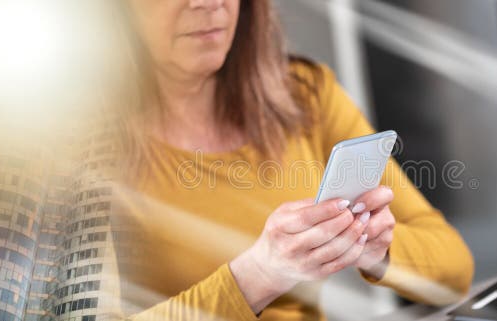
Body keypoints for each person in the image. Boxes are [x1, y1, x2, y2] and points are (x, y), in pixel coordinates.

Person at [107, 0, 474, 320]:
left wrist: (376, 249)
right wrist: (259, 275)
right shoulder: (75, 155)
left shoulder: (305, 95)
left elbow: (456, 268)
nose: (210, 2)